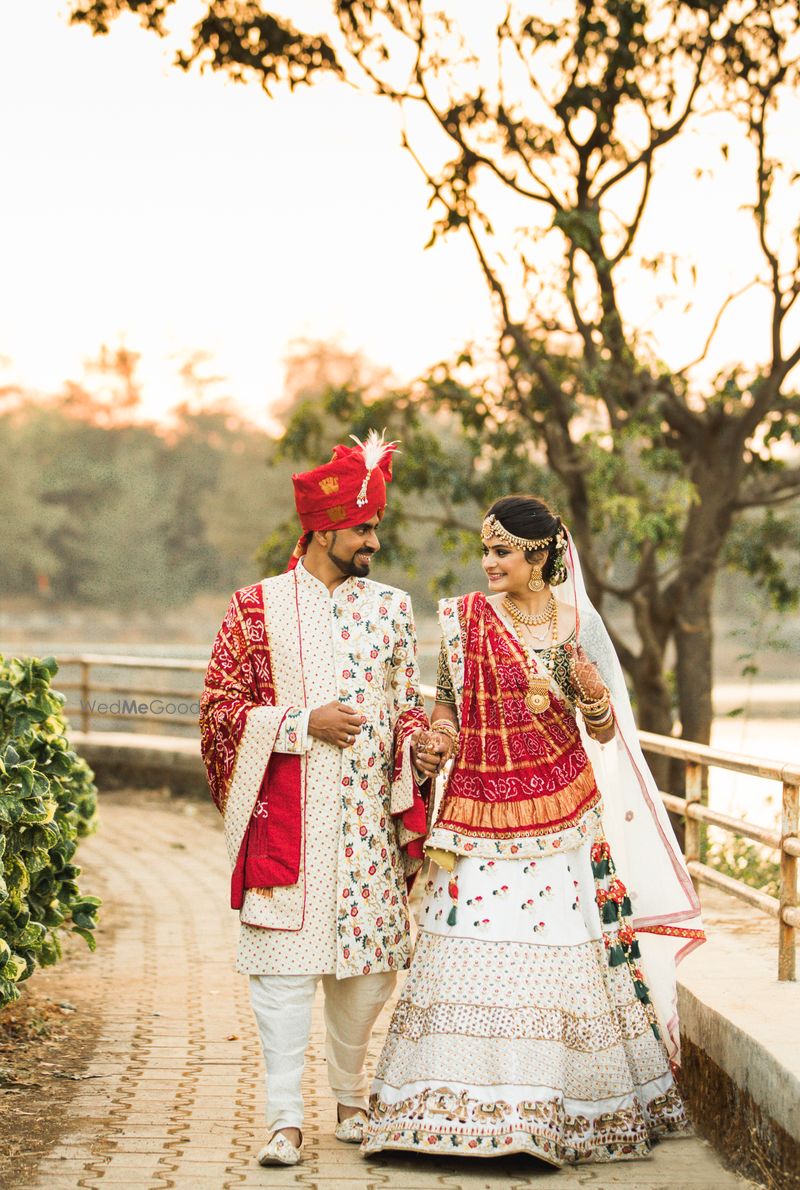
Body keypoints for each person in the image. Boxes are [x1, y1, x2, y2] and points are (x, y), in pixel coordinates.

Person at [363, 494, 705, 1166]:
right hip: (477, 820)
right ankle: (442, 1111)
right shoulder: (465, 621)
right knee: (468, 952)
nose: (489, 563)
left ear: (540, 554)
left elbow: (603, 731)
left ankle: (541, 1116)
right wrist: (436, 741)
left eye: (502, 552)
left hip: (562, 823)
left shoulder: (577, 626)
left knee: (553, 961)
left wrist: (596, 698)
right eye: (486, 551)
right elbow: (446, 707)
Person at [200, 431, 437, 1167]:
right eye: (363, 528)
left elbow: (406, 705)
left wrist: (420, 746)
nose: (374, 542)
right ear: (325, 528)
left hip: (366, 825)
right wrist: (304, 724)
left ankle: (351, 1099)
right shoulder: (255, 609)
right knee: (282, 975)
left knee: (367, 976)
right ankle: (284, 1121)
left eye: (376, 527)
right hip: (288, 823)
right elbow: (218, 711)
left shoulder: (392, 609)